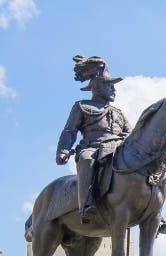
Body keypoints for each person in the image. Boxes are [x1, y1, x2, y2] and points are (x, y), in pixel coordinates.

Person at [56, 56, 130, 224]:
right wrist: (63, 150)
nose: (114, 89)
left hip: (117, 148)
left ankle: (152, 210)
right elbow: (69, 131)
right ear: (98, 86)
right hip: (93, 147)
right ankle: (86, 205)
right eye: (109, 85)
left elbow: (131, 134)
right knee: (86, 159)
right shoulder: (82, 106)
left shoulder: (118, 112)